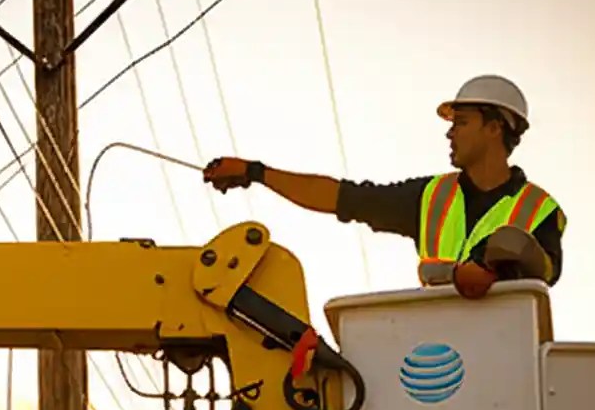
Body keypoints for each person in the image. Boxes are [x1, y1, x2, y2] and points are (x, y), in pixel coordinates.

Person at [201, 75, 566, 299]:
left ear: (494, 128)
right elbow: (342, 197)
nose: (450, 132)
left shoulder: (539, 208)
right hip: (440, 353)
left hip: (505, 351)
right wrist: (256, 172)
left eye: (463, 122)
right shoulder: (429, 197)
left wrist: (510, 254)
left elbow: (546, 272)